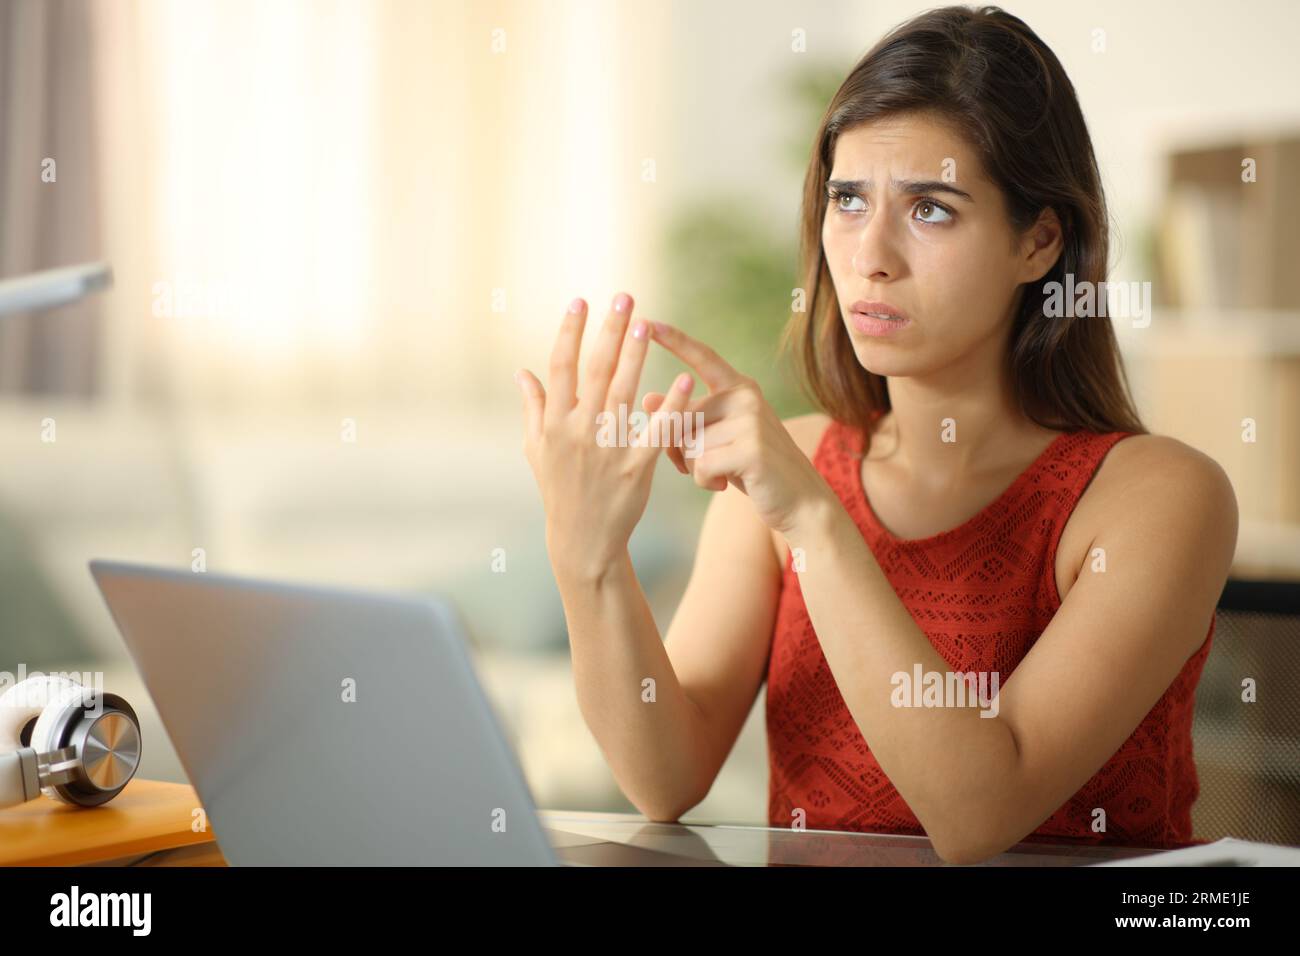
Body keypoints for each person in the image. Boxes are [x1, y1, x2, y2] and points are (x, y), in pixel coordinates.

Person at [512, 5, 1237, 865]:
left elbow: (980, 814)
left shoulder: (1158, 497)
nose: (870, 255)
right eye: (848, 200)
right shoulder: (789, 469)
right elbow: (665, 776)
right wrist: (588, 556)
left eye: (931, 209)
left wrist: (813, 519)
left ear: (1039, 242)